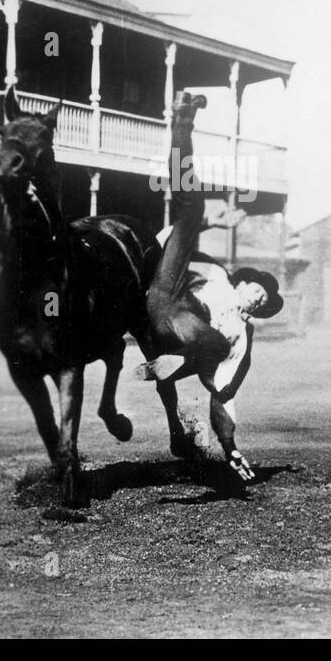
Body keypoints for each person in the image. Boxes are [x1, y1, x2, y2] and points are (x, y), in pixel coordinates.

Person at [136, 92, 284, 478]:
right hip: (164, 292)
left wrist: (230, 447)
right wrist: (210, 223)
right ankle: (182, 122)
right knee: (193, 205)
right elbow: (171, 237)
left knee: (217, 343)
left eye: (262, 300)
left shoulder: (241, 335)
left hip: (179, 336)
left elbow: (224, 392)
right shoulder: (215, 272)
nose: (256, 296)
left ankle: (177, 362)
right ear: (245, 282)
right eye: (256, 288)